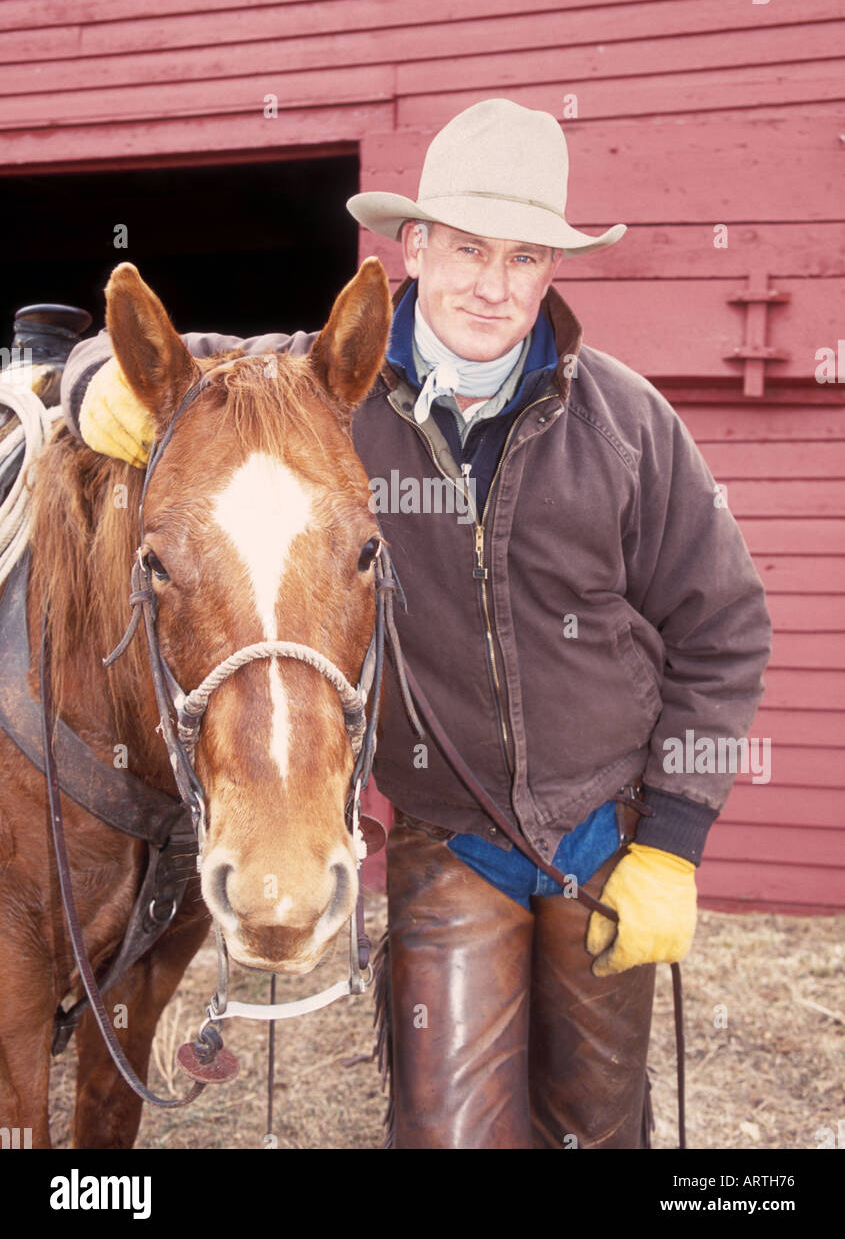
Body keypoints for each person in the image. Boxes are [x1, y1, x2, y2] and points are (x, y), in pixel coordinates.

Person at [61, 98, 772, 1149]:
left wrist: (672, 843)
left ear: (551, 269)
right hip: (453, 832)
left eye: (524, 257)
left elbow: (724, 628)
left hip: (605, 828)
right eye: (469, 248)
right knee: (446, 1132)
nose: (493, 285)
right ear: (416, 247)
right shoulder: (321, 392)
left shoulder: (626, 423)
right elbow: (148, 355)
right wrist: (92, 385)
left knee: (593, 1125)